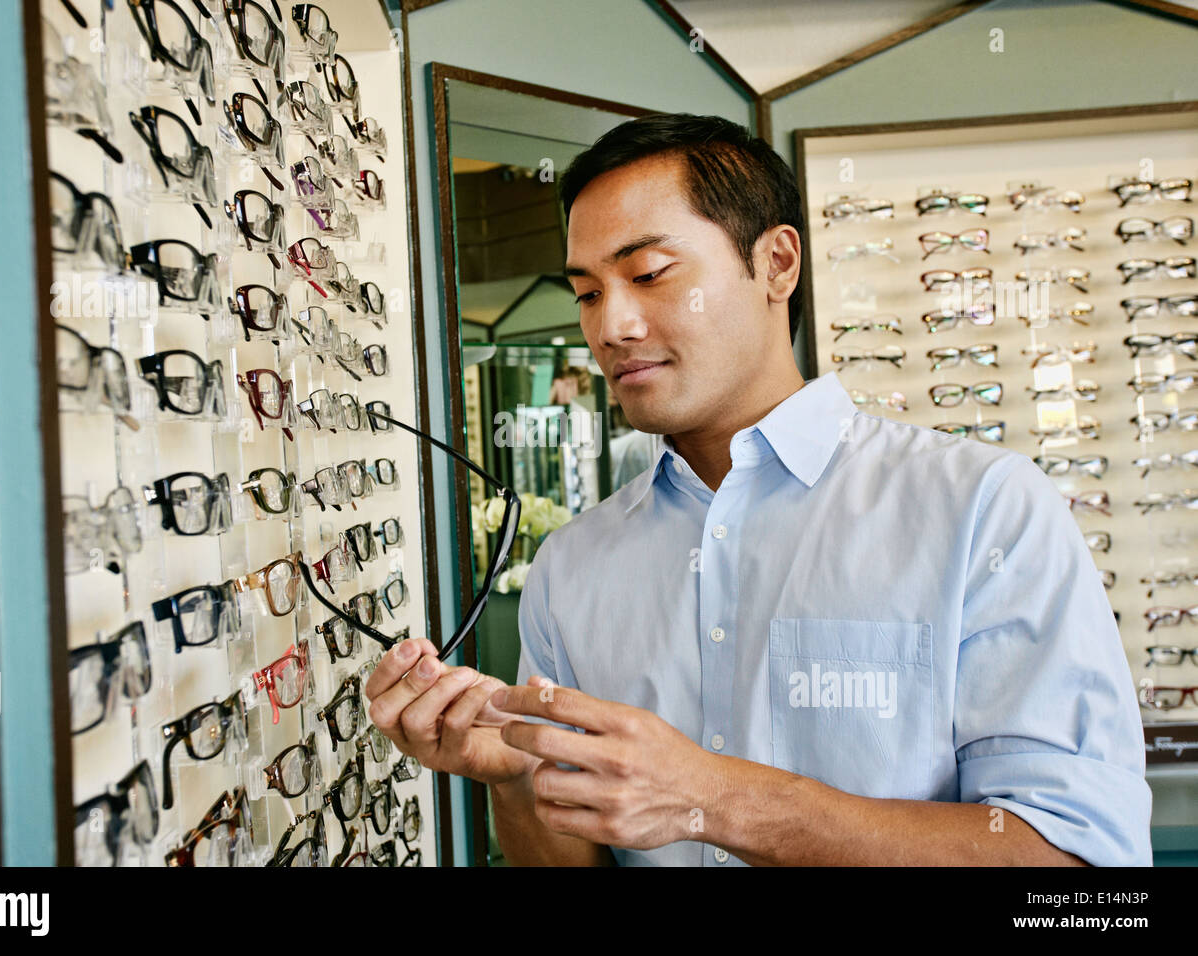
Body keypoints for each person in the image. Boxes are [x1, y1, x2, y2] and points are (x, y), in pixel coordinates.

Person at [364, 113, 1151, 866]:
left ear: (777, 263)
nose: (612, 327)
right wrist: (516, 775)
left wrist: (710, 797)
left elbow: (1077, 871)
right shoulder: (572, 568)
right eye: (590, 292)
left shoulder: (984, 510)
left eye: (647, 273)